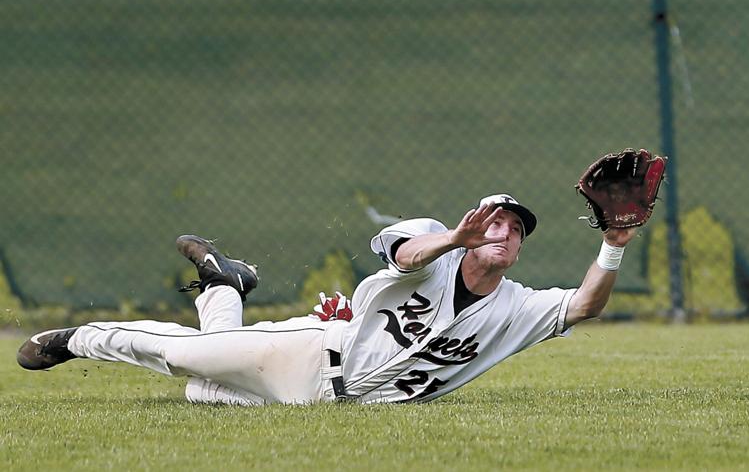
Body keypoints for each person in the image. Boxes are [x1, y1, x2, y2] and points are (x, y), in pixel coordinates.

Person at [17, 194, 639, 405]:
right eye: (496, 221)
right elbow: (404, 257)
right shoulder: (430, 239)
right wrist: (454, 236)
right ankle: (77, 339)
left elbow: (583, 306)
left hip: (333, 403)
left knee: (200, 390)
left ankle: (224, 286)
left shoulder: (516, 308)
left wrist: (613, 243)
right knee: (184, 358)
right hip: (313, 354)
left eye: (517, 228)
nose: (505, 231)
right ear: (473, 225)